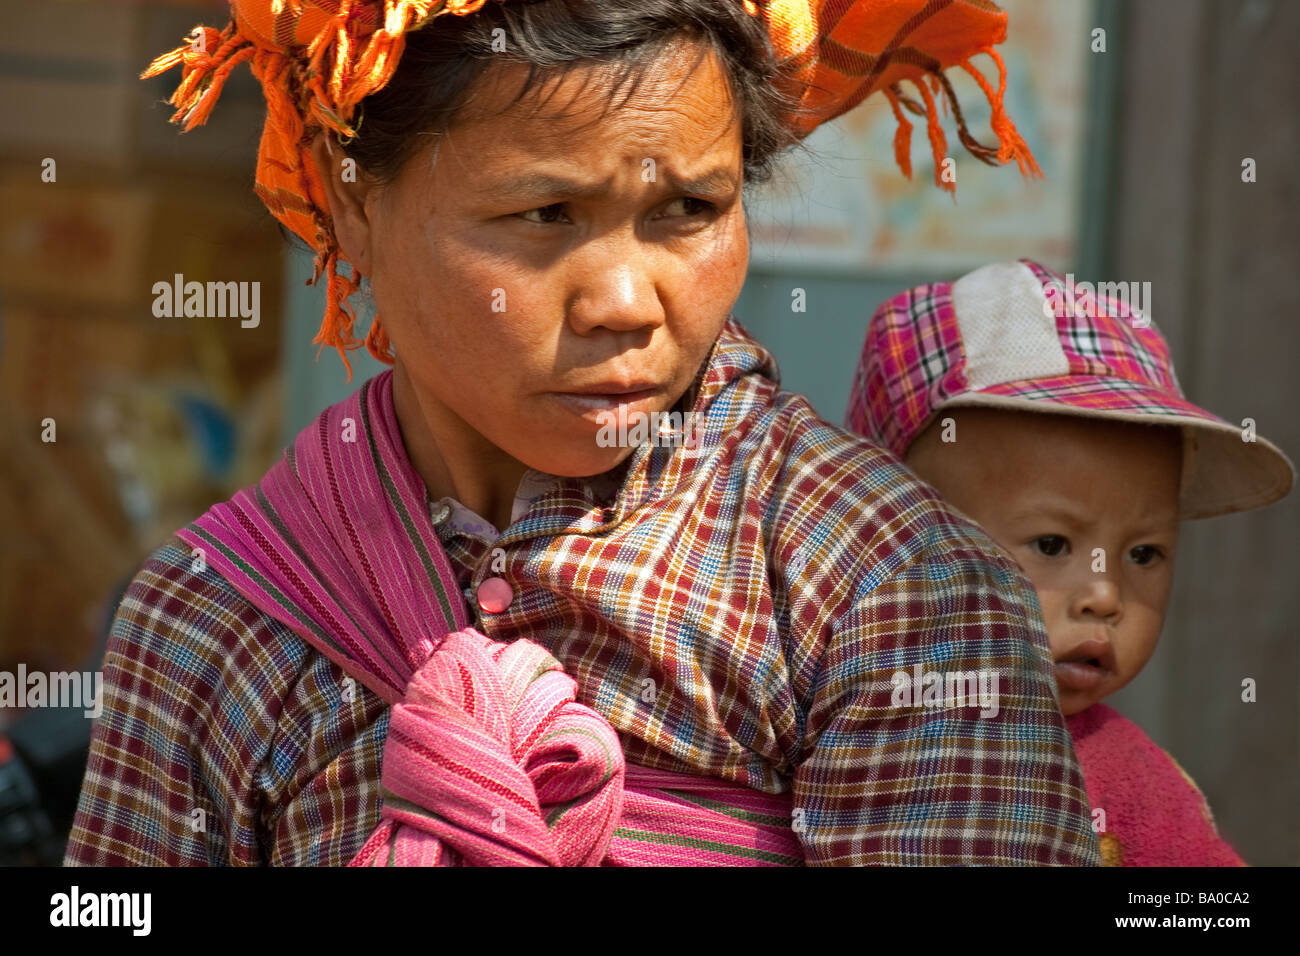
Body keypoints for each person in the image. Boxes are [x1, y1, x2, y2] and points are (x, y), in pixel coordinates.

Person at [65, 0, 1098, 866]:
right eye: (546, 214)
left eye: (690, 207)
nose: (624, 301)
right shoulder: (213, 619)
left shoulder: (889, 587)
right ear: (350, 207)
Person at [845, 257, 1295, 866]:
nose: (1104, 597)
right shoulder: (806, 727)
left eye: (1144, 553)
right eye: (1053, 545)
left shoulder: (1132, 784)